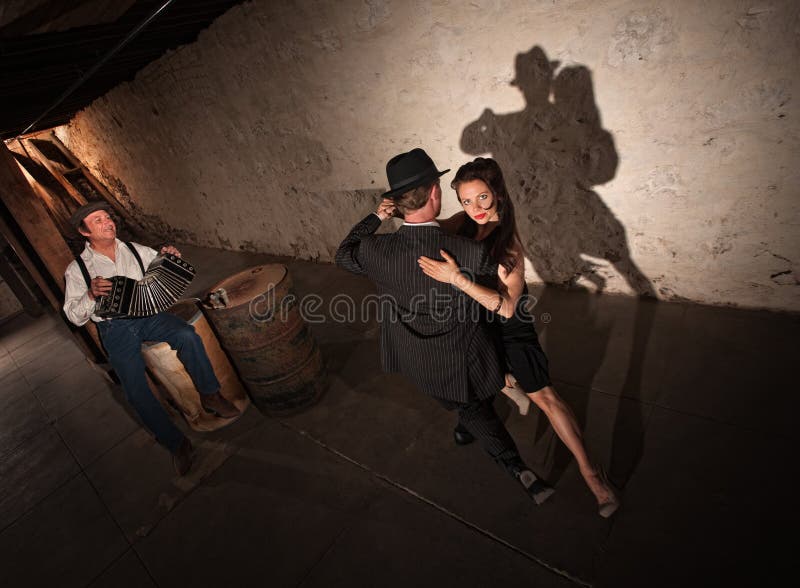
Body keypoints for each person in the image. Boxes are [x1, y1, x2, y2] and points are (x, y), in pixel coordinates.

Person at [335, 148, 554, 505]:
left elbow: (343, 253)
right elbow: (502, 304)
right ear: (436, 193)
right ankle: (517, 467)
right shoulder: (468, 252)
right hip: (464, 358)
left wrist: (376, 217)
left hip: (413, 358)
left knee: (462, 401)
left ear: (397, 201)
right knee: (473, 402)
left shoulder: (375, 251)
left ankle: (470, 420)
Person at [418, 157, 620, 517]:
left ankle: (592, 474)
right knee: (461, 367)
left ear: (497, 194)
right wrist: (394, 210)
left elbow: (508, 309)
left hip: (508, 325)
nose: (475, 208)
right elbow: (427, 228)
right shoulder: (464, 222)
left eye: (482, 197)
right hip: (475, 321)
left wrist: (457, 279)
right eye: (466, 200)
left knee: (544, 397)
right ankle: (495, 393)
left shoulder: (508, 245)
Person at [63, 201, 240, 476]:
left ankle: (210, 394)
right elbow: (74, 316)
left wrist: (169, 257)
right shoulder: (78, 270)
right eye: (98, 220)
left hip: (148, 315)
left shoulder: (134, 249)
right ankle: (177, 444)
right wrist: (90, 295)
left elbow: (162, 267)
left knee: (186, 335)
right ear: (84, 232)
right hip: (114, 329)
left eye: (107, 217)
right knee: (134, 390)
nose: (107, 222)